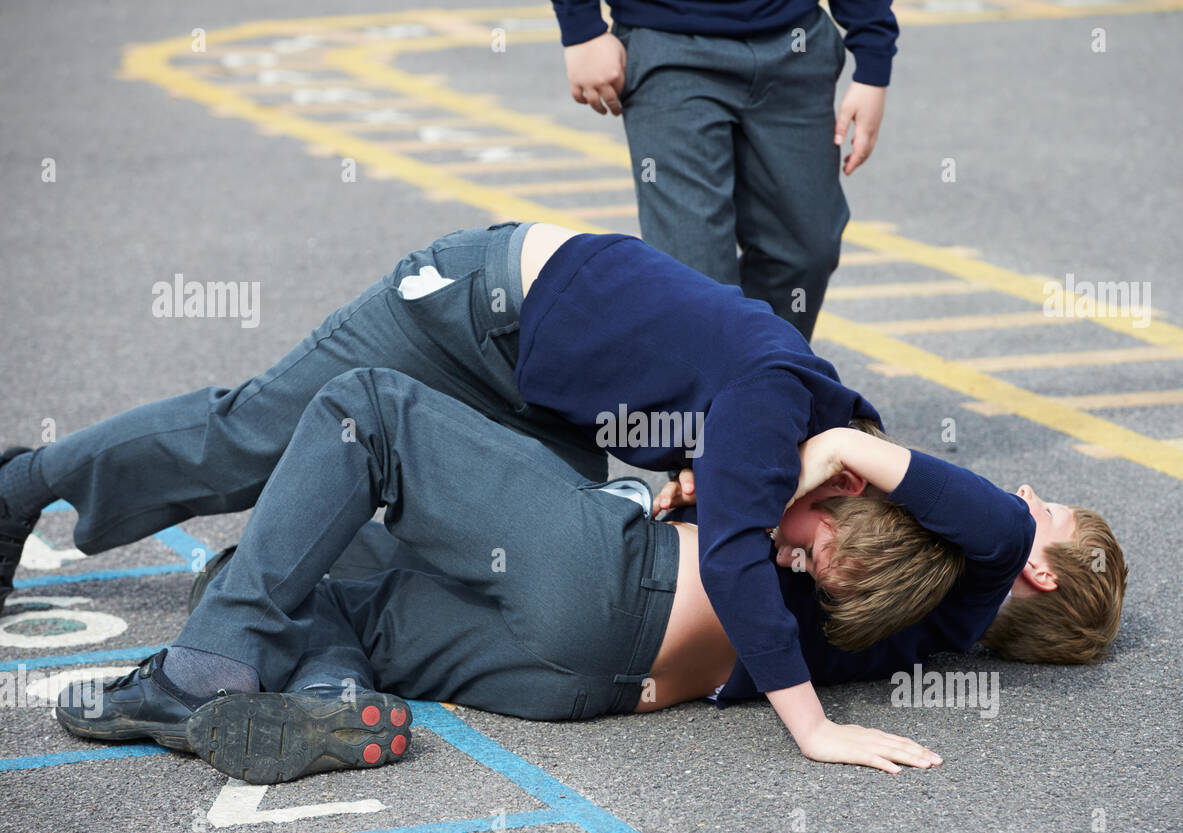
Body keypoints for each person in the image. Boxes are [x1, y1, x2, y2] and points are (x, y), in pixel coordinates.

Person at [0, 220, 1123, 769]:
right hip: (496, 341)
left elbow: (758, 542)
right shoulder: (912, 610)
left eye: (1043, 509)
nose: (1026, 491)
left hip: (530, 395)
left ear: (1024, 558)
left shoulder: (812, 434)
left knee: (327, 427)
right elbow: (749, 526)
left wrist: (812, 724)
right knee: (295, 523)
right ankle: (329, 687)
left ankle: (45, 509)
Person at [51, 372, 963, 782]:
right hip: (581, 687)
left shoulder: (831, 510)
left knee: (366, 408)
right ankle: (332, 692)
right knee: (273, 571)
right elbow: (993, 549)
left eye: (808, 556)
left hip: (612, 581)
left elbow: (990, 534)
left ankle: (193, 678)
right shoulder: (904, 614)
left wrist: (836, 448)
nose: (785, 552)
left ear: (855, 488)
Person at [553, 0, 898, 338]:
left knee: (806, 252)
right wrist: (581, 28)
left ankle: (766, 376)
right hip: (667, 45)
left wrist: (873, 59)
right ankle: (725, 388)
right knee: (696, 274)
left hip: (796, 43)